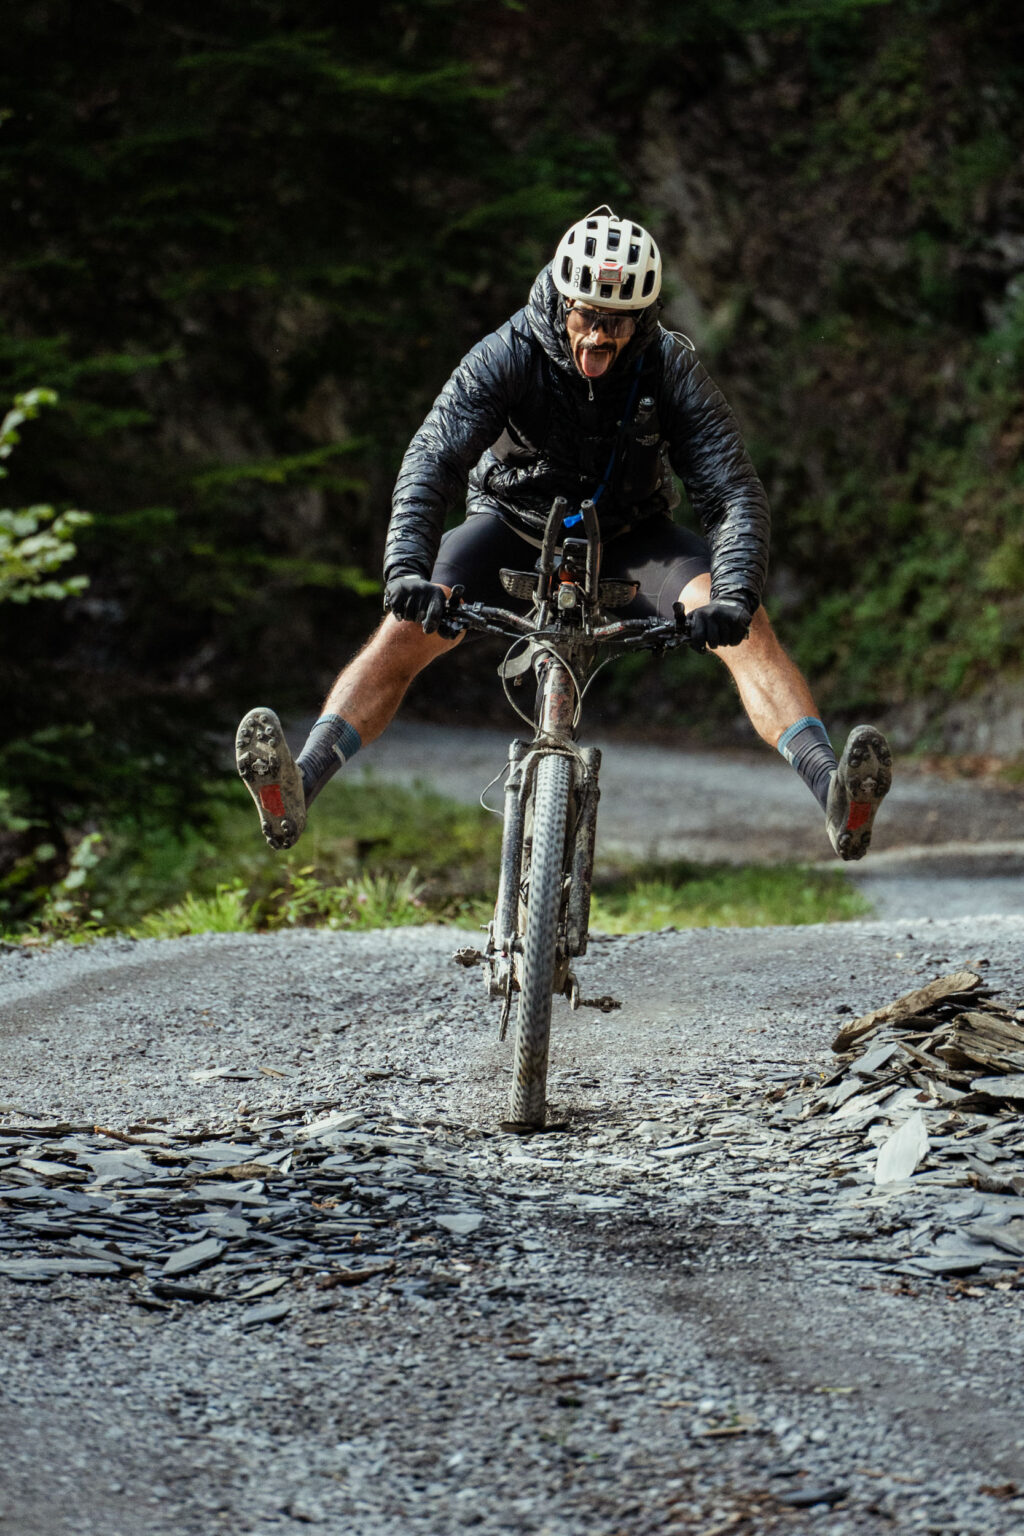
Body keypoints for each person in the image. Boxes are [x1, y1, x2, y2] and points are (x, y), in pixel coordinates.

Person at [235, 207, 892, 860]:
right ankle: (300, 781)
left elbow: (730, 490)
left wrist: (735, 595)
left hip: (635, 539)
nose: (601, 338)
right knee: (405, 629)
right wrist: (406, 570)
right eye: (588, 317)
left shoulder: (668, 367)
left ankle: (833, 788)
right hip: (509, 526)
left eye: (620, 322)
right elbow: (433, 458)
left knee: (748, 630)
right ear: (562, 302)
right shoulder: (508, 352)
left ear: (645, 316)